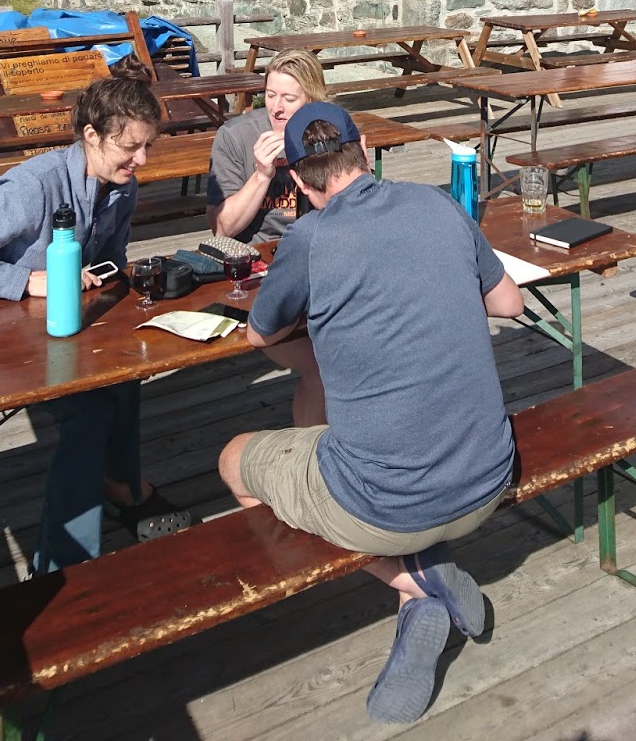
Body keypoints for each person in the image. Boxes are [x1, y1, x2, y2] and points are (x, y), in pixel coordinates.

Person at [218, 103, 523, 726]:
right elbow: (509, 304)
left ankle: (412, 580)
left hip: (383, 507)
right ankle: (420, 589)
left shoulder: (309, 237)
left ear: (297, 180)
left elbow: (259, 334)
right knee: (359, 437)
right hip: (489, 477)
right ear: (365, 149)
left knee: (232, 460)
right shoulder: (440, 204)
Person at [0, 64, 193, 571]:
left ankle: (122, 487)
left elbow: (109, 259)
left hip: (44, 326)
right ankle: (64, 562)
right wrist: (21, 281)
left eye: (148, 146)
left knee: (124, 375)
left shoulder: (121, 186)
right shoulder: (33, 187)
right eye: (131, 147)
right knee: (90, 412)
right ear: (91, 135)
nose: (142, 160)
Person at [207, 49, 328, 424]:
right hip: (258, 272)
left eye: (289, 98)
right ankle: (309, 453)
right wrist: (261, 174)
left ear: (312, 100)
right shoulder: (236, 136)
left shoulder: (327, 132)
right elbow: (222, 229)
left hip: (322, 261)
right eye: (270, 95)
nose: (277, 108)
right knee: (323, 368)